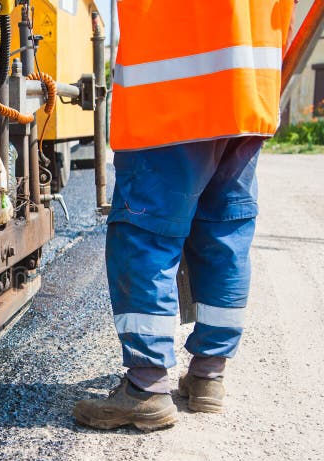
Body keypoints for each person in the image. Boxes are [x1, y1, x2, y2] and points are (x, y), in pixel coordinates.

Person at [73, 0, 295, 431]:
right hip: (248, 94)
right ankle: (209, 376)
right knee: (223, 235)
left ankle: (145, 388)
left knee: (146, 233)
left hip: (172, 97)